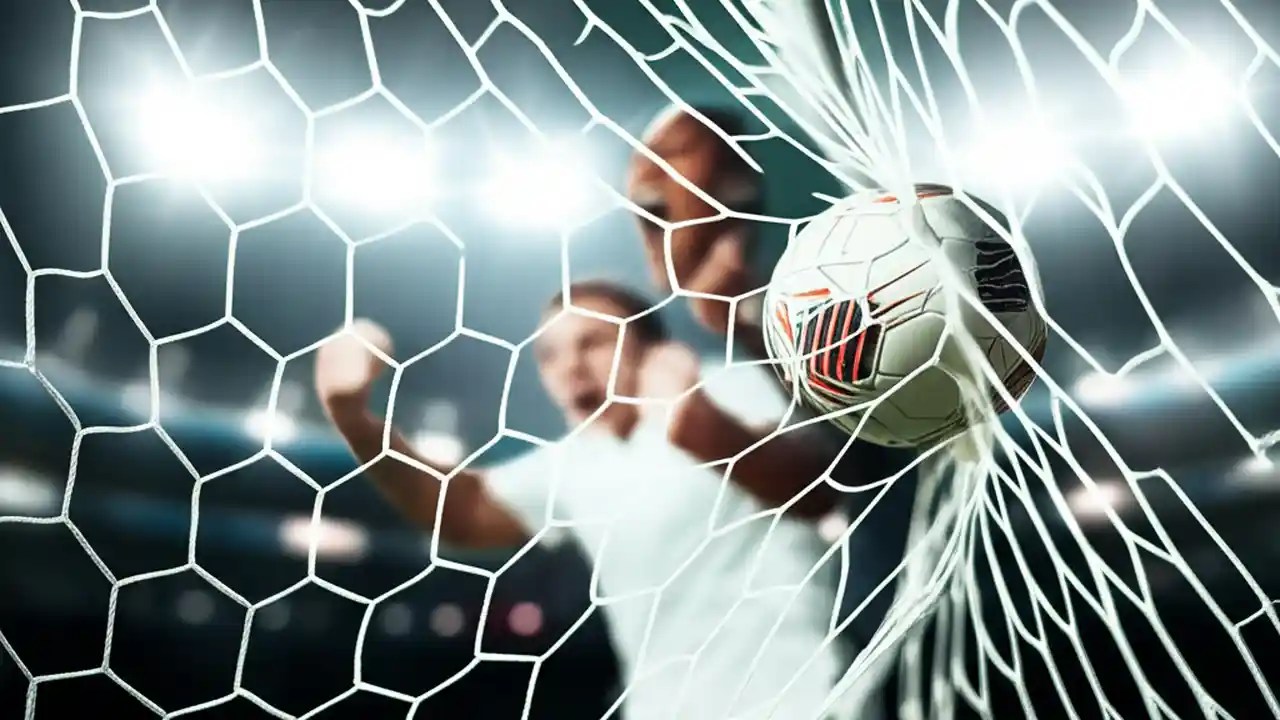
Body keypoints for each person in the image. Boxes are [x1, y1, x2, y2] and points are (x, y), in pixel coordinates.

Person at [315, 280, 848, 719]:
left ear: (652, 347)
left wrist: (702, 427)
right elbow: (460, 511)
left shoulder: (725, 385)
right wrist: (357, 423)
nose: (570, 366)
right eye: (549, 355)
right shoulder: (576, 462)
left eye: (593, 341)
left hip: (802, 700)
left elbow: (816, 488)